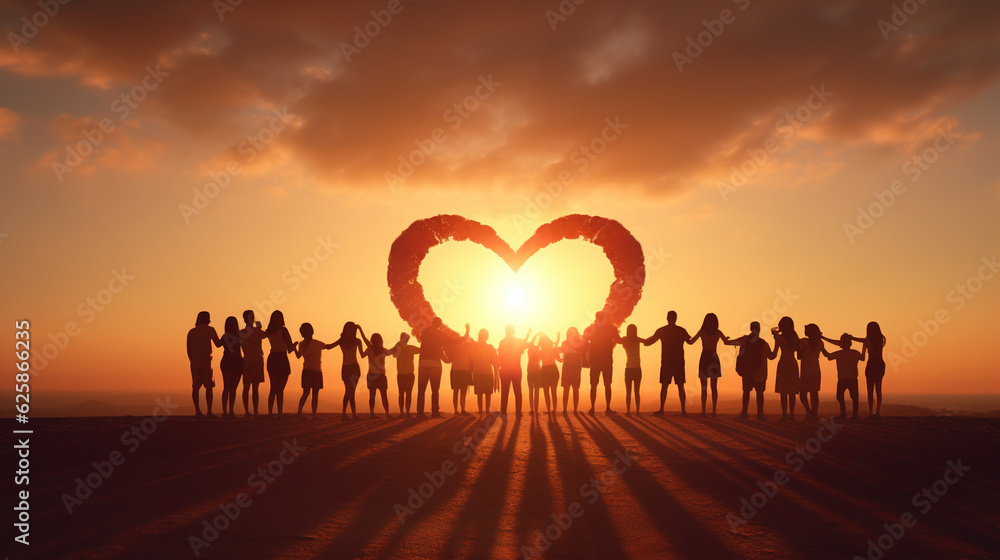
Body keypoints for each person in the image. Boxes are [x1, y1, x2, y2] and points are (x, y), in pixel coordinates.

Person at [828, 322, 886, 418]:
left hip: (873, 364)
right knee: (876, 389)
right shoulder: (880, 340)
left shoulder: (870, 340)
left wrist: (852, 337)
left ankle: (872, 412)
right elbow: (864, 348)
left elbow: (863, 342)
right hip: (877, 364)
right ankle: (875, 412)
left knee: (871, 389)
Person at [416, 318, 470, 418]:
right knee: (435, 390)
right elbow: (455, 341)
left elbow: (432, 347)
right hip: (435, 365)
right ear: (439, 325)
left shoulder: (425, 333)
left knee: (421, 389)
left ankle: (420, 412)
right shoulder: (440, 334)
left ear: (432, 323)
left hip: (423, 364)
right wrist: (467, 333)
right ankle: (435, 412)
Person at [724, 322, 777, 420]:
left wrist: (724, 338)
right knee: (760, 394)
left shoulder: (744, 340)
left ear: (751, 329)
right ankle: (760, 415)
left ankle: (744, 413)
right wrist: (777, 343)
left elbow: (729, 343)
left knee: (746, 392)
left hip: (747, 371)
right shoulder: (763, 343)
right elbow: (772, 356)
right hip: (760, 372)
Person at [644, 311, 690, 417]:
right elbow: (690, 341)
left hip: (667, 362)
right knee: (680, 386)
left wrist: (642, 341)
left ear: (667, 318)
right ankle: (683, 410)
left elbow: (650, 342)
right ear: (676, 318)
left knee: (665, 386)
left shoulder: (662, 331)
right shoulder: (681, 330)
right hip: (678, 362)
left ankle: (662, 409)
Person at [292, 323, 336, 420]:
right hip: (316, 371)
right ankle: (314, 414)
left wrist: (294, 347)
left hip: (306, 371)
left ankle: (299, 412)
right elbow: (328, 347)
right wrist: (339, 341)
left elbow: (298, 356)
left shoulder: (301, 344)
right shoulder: (316, 343)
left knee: (306, 393)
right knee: (315, 394)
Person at [687, 313, 728, 417]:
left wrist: (684, 336)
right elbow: (727, 342)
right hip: (713, 358)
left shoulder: (702, 332)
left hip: (705, 358)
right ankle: (713, 411)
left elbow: (690, 342)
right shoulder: (718, 332)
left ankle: (704, 410)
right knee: (714, 387)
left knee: (704, 387)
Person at [584, 311, 620, 415]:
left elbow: (584, 340)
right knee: (607, 384)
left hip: (595, 361)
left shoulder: (591, 329)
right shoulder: (611, 329)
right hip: (606, 361)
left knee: (594, 385)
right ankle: (607, 408)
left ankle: (592, 408)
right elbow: (619, 340)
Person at [187, 311, 221, 418]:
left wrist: (192, 360)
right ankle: (209, 411)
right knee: (209, 387)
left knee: (196, 387)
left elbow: (188, 350)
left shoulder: (191, 332)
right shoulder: (210, 330)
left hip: (194, 362)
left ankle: (197, 411)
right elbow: (218, 344)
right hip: (206, 362)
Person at [823, 333, 863, 420]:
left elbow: (828, 356)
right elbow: (863, 358)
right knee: (853, 397)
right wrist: (865, 345)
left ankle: (844, 414)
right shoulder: (855, 353)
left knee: (841, 396)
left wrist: (822, 347)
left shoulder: (840, 353)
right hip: (850, 378)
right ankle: (853, 414)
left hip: (843, 379)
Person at [264, 310, 295, 420]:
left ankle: (270, 413)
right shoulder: (284, 330)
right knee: (280, 389)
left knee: (273, 388)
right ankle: (279, 413)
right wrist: (295, 344)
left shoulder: (269, 331)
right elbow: (290, 349)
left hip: (272, 358)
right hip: (282, 358)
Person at [331, 322, 364, 421]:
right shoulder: (357, 341)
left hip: (347, 368)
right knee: (350, 391)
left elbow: (329, 346)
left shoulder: (342, 340)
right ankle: (352, 415)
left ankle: (345, 414)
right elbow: (362, 354)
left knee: (349, 391)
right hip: (353, 368)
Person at [497, 324, 533, 417]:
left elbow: (500, 356)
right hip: (516, 370)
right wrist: (529, 333)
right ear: (513, 331)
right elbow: (526, 343)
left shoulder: (502, 342)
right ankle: (518, 412)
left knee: (505, 392)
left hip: (505, 370)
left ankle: (503, 412)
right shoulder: (517, 341)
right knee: (517, 391)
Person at [771, 316, 801, 422]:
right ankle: (792, 414)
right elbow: (798, 351)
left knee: (783, 391)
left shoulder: (779, 337)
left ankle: (784, 415)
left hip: (783, 363)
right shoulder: (795, 336)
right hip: (793, 363)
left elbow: (774, 353)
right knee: (792, 391)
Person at [239, 310, 267, 418]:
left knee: (246, 387)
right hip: (257, 361)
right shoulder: (257, 332)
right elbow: (266, 334)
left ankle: (247, 411)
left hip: (247, 361)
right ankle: (255, 411)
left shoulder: (241, 332)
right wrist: (259, 327)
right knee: (255, 388)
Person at [361, 331, 393, 418]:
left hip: (371, 375)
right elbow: (392, 352)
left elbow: (362, 355)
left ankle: (372, 413)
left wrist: (360, 331)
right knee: (384, 396)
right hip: (381, 375)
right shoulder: (383, 350)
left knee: (372, 395)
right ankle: (387, 413)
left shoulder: (369, 349)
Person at [798, 324, 825, 420]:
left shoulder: (803, 341)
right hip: (816, 370)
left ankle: (809, 412)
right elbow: (826, 354)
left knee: (803, 394)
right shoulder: (820, 343)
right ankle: (814, 413)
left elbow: (799, 354)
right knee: (814, 393)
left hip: (806, 370)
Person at [219, 316, 244, 419]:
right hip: (237, 361)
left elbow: (217, 344)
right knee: (233, 388)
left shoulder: (225, 336)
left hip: (227, 361)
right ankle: (231, 411)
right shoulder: (240, 336)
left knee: (227, 387)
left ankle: (225, 411)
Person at [389, 332, 420, 418]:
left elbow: (388, 352)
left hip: (404, 374)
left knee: (402, 393)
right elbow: (422, 350)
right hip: (407, 373)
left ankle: (403, 412)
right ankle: (406, 412)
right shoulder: (408, 348)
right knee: (406, 393)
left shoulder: (399, 347)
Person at [470, 329, 499, 415]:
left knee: (486, 393)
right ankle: (483, 410)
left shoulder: (487, 347)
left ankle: (485, 410)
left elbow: (494, 361)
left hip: (484, 373)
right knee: (483, 393)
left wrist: (497, 368)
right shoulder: (476, 346)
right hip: (481, 373)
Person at [620, 324, 647, 415]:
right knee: (630, 391)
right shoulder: (634, 340)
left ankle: (636, 411)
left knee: (635, 391)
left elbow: (646, 340)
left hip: (634, 368)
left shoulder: (629, 340)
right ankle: (631, 411)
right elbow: (646, 341)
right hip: (632, 368)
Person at [445, 336, 474, 415]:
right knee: (462, 391)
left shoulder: (454, 347)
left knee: (456, 391)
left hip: (456, 371)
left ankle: (456, 410)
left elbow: (449, 358)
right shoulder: (467, 348)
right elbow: (471, 360)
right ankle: (462, 409)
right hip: (463, 371)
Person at [560, 327, 585, 414]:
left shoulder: (579, 343)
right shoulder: (565, 343)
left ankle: (574, 409)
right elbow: (564, 355)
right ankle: (565, 409)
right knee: (566, 389)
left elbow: (581, 353)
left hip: (575, 369)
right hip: (568, 368)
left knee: (575, 389)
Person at [537, 333, 561, 415]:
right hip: (553, 370)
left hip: (545, 370)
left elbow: (537, 359)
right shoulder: (553, 350)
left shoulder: (541, 351)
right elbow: (559, 360)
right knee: (553, 391)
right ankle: (554, 409)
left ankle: (549, 409)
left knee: (546, 391)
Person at [525, 335, 543, 416]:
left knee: (534, 391)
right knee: (533, 391)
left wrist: (536, 336)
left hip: (534, 372)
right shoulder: (532, 350)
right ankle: (533, 409)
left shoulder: (534, 350)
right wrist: (536, 336)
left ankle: (534, 409)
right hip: (533, 372)